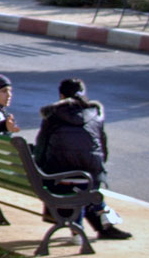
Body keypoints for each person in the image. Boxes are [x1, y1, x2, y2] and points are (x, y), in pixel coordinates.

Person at [36, 78, 133, 240]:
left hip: (61, 177)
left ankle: (78, 229)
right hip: (90, 176)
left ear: (61, 95)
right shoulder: (94, 114)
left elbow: (41, 148)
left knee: (71, 183)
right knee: (85, 187)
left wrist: (40, 170)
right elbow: (103, 149)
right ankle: (104, 227)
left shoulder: (52, 115)